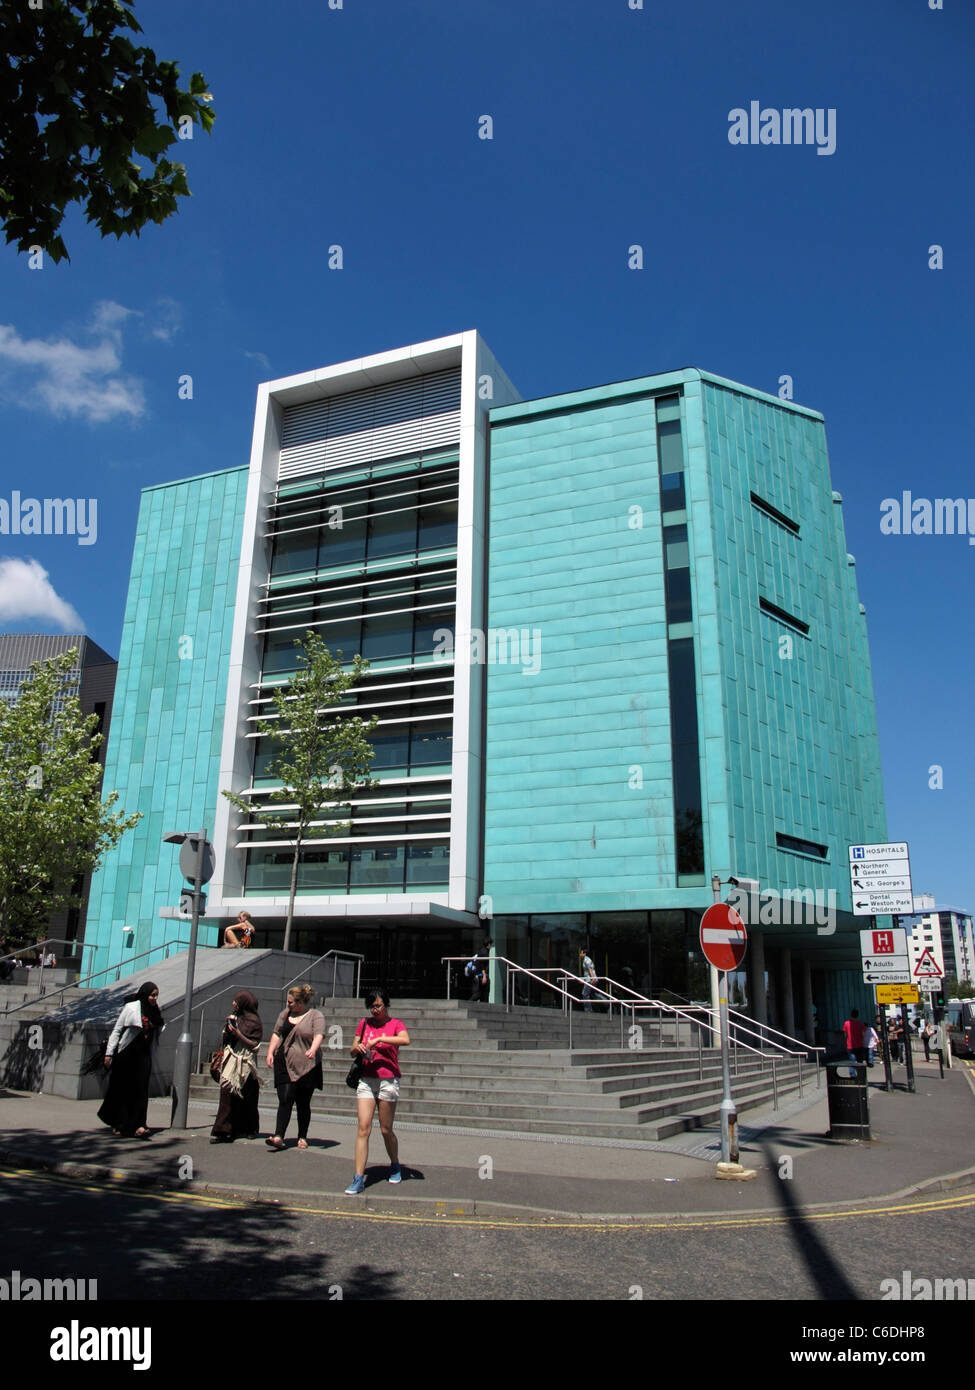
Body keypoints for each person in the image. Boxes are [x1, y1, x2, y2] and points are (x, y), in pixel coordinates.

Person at [344, 989, 410, 1194]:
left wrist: (379, 1040)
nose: (375, 1010)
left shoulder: (395, 1024)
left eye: (378, 1006)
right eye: (372, 1007)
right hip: (366, 1080)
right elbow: (352, 1048)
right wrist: (361, 1047)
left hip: (388, 1080)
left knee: (385, 1129)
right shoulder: (364, 1024)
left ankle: (395, 1164)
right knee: (363, 1127)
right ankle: (358, 1178)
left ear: (386, 1005)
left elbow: (405, 1040)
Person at [97, 982, 164, 1137]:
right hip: (127, 1054)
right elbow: (117, 1029)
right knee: (123, 1089)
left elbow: (158, 1029)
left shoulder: (155, 1011)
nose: (154, 998)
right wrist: (109, 1053)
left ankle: (140, 1124)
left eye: (156, 995)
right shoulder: (132, 1007)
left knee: (141, 1090)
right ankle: (119, 1123)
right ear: (144, 994)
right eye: (152, 995)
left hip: (144, 1055)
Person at [264, 984, 324, 1150]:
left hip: (307, 1065)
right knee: (285, 1098)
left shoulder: (315, 1016)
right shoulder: (285, 1014)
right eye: (287, 1002)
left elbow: (319, 1034)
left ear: (301, 1002)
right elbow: (277, 1033)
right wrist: (270, 1052)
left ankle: (302, 1136)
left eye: (291, 1002)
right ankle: (278, 1135)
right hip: (284, 1061)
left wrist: (313, 1049)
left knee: (303, 1102)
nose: (288, 1005)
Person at [210, 989, 263, 1143]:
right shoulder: (235, 1017)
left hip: (246, 1063)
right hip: (232, 1060)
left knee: (249, 1097)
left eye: (237, 1001)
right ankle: (223, 1129)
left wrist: (237, 1033)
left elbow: (254, 1044)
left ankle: (249, 1128)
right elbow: (226, 1039)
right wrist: (228, 1030)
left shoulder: (254, 1021)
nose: (234, 1003)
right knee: (227, 1092)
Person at [467, 938, 492, 1003]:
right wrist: (484, 976)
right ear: (489, 944)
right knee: (483, 993)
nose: (491, 946)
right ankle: (468, 1003)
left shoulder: (481, 951)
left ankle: (469, 1003)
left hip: (478, 975)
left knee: (481, 994)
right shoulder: (485, 952)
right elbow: (482, 964)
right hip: (482, 976)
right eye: (490, 944)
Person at [579, 947, 597, 1012]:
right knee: (592, 994)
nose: (580, 954)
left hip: (590, 980)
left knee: (585, 993)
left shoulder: (587, 960)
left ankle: (588, 1009)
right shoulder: (585, 960)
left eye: (581, 953)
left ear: (584, 954)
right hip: (588, 979)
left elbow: (590, 969)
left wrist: (592, 978)